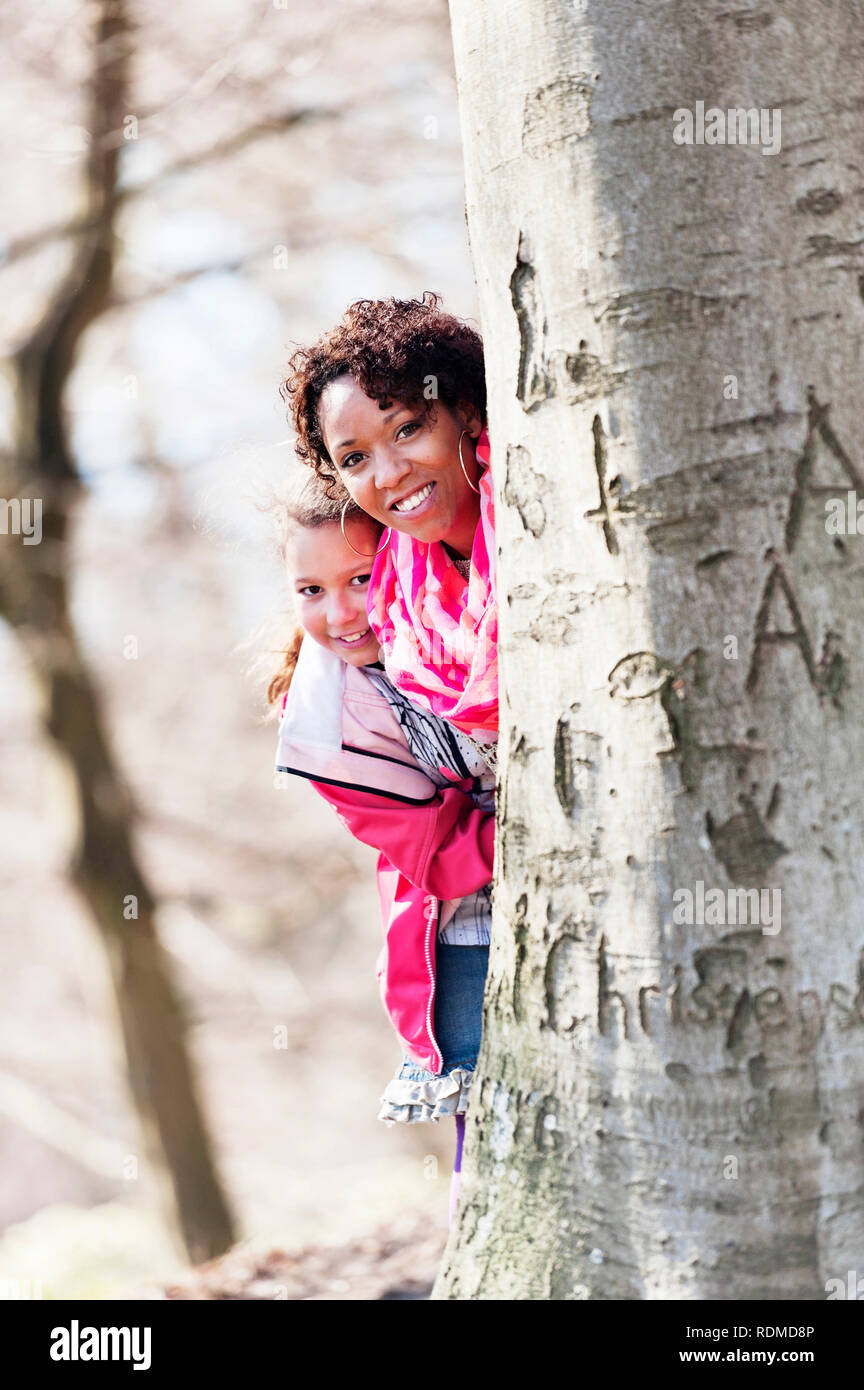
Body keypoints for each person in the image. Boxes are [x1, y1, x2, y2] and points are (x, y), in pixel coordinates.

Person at [267, 476, 495, 1221]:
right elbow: (429, 851)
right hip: (459, 922)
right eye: (310, 589)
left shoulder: (464, 622)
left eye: (360, 578)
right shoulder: (320, 722)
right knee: (487, 1119)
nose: (337, 612)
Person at [279, 290, 499, 772]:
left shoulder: (543, 524)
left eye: (406, 430)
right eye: (355, 459)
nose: (390, 474)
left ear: (467, 411)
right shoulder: (396, 607)